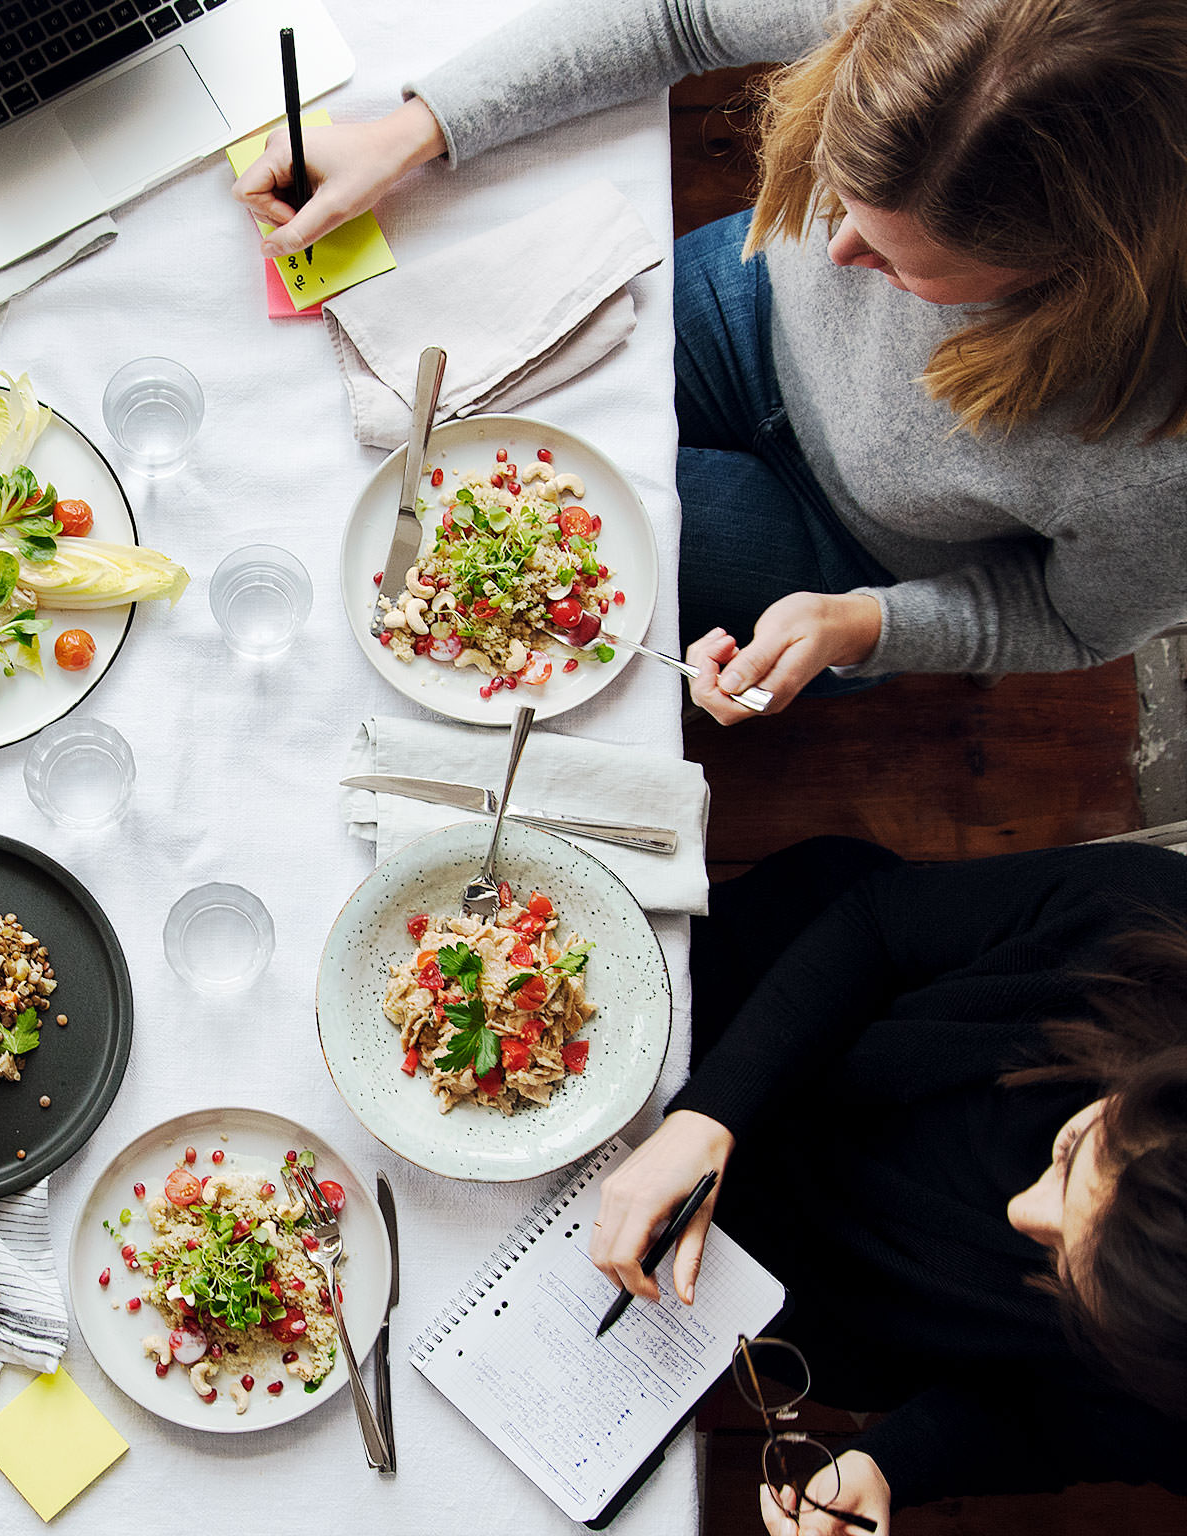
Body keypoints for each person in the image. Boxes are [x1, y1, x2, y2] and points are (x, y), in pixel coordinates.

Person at [233, 0, 1187, 725]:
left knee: (521, 605)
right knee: (446, 485)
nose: (839, 253)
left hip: (847, 547)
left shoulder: (1160, 463)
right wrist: (405, 135)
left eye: (902, 262)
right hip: (742, 314)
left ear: (1078, 274)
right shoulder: (945, 39)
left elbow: (1076, 625)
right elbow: (674, 14)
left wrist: (868, 627)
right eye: (834, 189)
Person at [586, 837, 1187, 1531]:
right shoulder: (1152, 920)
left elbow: (1050, 1425)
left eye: (1062, 1269)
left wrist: (888, 1464)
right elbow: (877, 923)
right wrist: (711, 1111)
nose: (1021, 1213)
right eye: (1069, 1150)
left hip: (806, 1300)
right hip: (759, 1007)